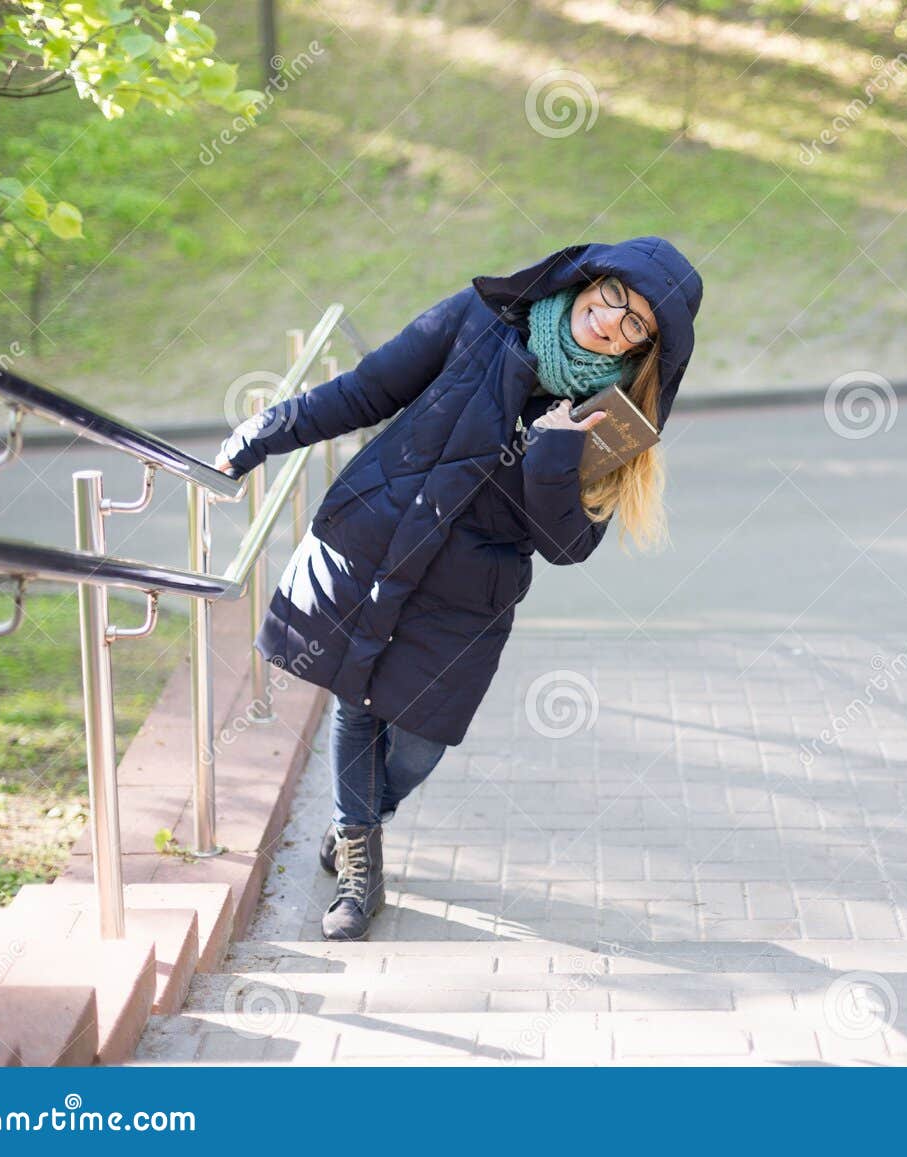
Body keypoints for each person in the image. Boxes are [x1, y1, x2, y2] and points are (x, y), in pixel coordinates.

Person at [214, 237, 703, 940]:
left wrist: (554, 452)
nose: (610, 321)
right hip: (373, 544)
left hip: (466, 599)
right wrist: (267, 430)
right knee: (357, 698)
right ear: (593, 277)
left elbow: (567, 546)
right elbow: (366, 390)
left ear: (645, 348)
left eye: (636, 325)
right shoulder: (480, 318)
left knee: (418, 743)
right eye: (614, 297)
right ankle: (360, 861)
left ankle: (362, 815)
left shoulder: (614, 415)